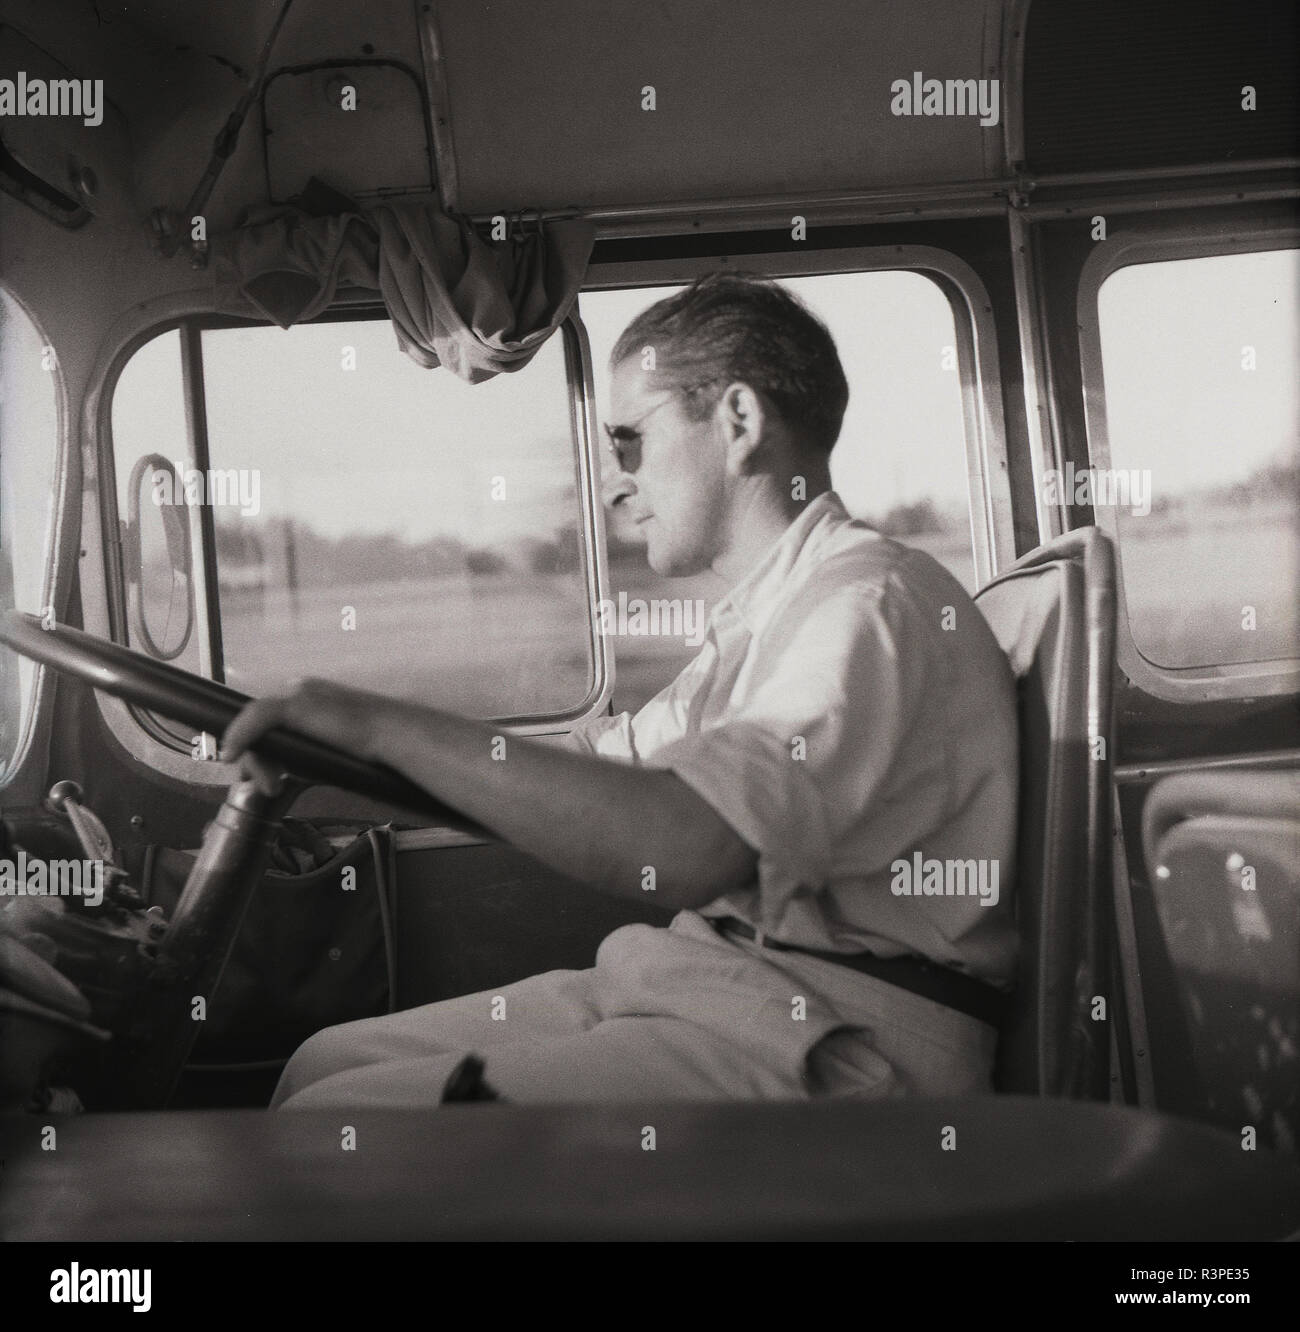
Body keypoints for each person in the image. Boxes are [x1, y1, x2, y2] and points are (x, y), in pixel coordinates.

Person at [220, 273, 1020, 1110]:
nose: (614, 482)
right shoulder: (768, 616)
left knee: (332, 1120)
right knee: (318, 1067)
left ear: (740, 422)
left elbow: (689, 846)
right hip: (726, 986)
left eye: (629, 442)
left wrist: (378, 726)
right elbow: (599, 769)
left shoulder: (866, 607)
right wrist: (325, 761)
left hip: (844, 1039)